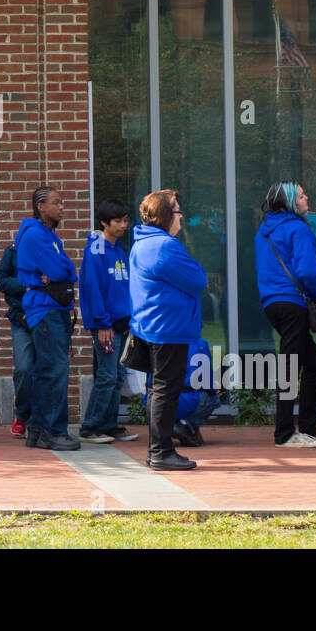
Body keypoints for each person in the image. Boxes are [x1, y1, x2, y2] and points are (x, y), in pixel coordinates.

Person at [129, 189, 207, 470]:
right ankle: (161, 452)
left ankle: (158, 450)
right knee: (165, 390)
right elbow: (198, 280)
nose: (181, 215)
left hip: (154, 327)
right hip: (167, 328)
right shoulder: (164, 246)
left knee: (158, 388)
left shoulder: (144, 242)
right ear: (165, 215)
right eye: (177, 210)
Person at [254, 181, 316, 449]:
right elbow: (308, 271)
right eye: (301, 195)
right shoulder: (298, 228)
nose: (306, 197)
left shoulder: (264, 231)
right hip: (293, 303)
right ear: (289, 202)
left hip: (273, 304)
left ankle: (308, 429)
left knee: (313, 363)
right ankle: (284, 434)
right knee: (290, 369)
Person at [14, 186, 79, 452]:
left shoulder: (50, 236)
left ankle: (38, 430)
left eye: (62, 203)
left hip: (55, 309)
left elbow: (69, 271)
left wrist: (64, 270)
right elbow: (57, 268)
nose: (61, 207)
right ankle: (53, 431)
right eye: (56, 203)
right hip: (45, 310)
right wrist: (62, 270)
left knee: (46, 371)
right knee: (55, 370)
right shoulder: (35, 236)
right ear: (41, 206)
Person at [78, 198, 138, 443]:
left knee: (118, 377)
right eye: (117, 221)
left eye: (125, 220)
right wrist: (102, 324)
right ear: (104, 222)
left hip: (122, 323)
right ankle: (90, 428)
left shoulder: (118, 249)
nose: (123, 225)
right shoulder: (96, 250)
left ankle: (110, 425)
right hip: (107, 325)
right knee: (106, 376)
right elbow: (93, 288)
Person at [0, 243, 31, 438]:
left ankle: (40, 418)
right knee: (23, 368)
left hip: (47, 317)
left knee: (46, 369)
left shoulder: (49, 248)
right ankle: (22, 415)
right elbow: (0, 280)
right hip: (20, 318)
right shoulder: (13, 251)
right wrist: (24, 285)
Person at [173, 336, 219, 447]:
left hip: (156, 402)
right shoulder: (200, 343)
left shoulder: (158, 341)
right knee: (212, 397)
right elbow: (207, 383)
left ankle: (163, 429)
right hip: (185, 400)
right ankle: (185, 424)